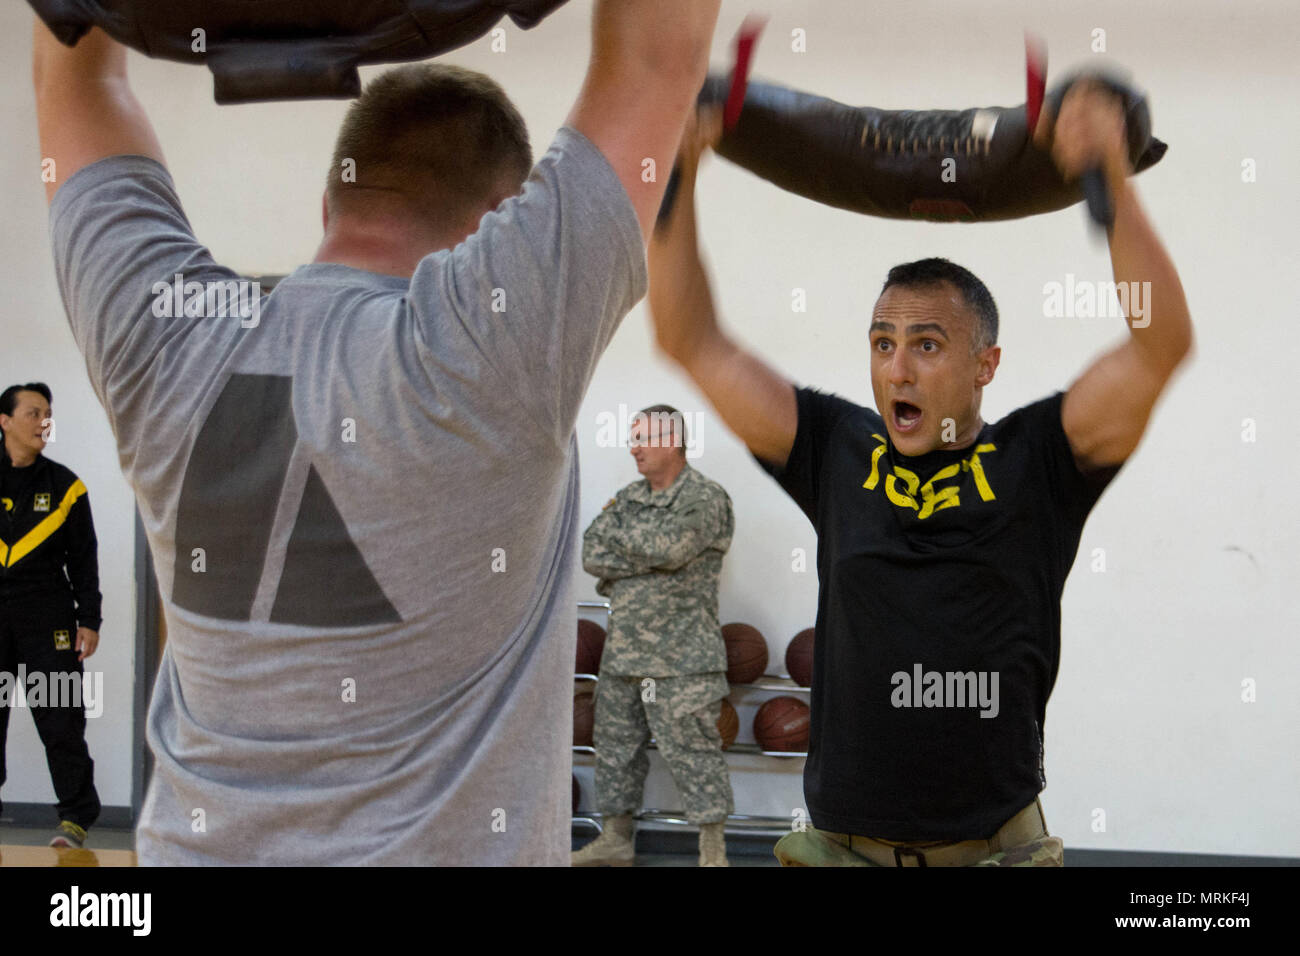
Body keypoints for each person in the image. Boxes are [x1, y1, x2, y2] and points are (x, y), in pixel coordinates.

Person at [31, 0, 722, 865]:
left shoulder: (162, 338)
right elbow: (660, 57)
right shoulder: (492, 346)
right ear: (497, 227)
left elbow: (75, 66)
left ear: (328, 202)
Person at [647, 89, 1193, 866]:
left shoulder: (1039, 460)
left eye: (927, 345)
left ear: (985, 365)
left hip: (992, 853)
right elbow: (689, 338)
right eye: (881, 342)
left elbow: (1157, 346)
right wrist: (678, 171)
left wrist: (1107, 177)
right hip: (840, 850)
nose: (896, 368)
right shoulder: (836, 448)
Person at [575, 406, 735, 867]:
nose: (634, 446)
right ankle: (617, 841)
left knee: (694, 754)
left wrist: (629, 562)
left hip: (683, 656)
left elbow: (673, 547)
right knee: (615, 751)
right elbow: (591, 552)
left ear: (672, 441)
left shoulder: (704, 498)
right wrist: (653, 562)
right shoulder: (627, 497)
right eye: (632, 436)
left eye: (643, 436)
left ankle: (713, 853)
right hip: (624, 655)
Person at [0, 382, 102, 849]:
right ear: (5, 422)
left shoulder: (65, 486)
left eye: (48, 413)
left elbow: (84, 558)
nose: (44, 421)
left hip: (49, 625)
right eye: (33, 412)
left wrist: (90, 619)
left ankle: (75, 818)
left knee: (60, 720)